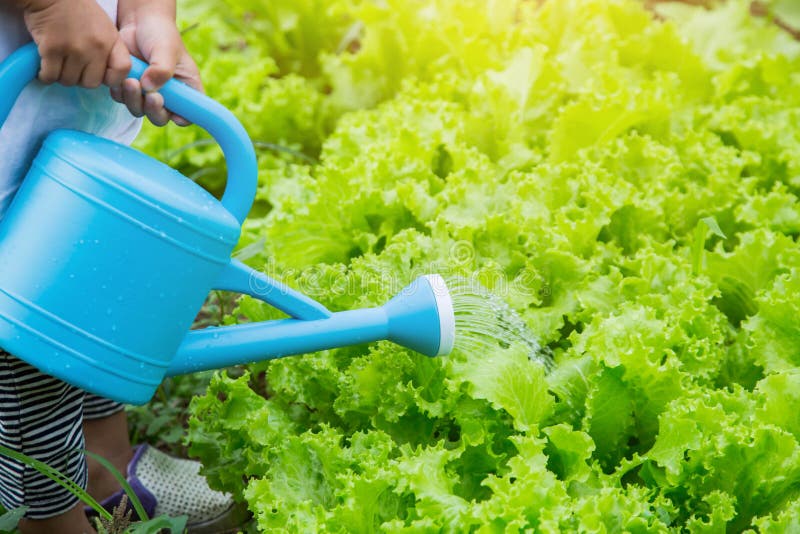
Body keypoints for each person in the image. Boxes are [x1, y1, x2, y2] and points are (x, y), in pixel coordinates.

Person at [0, 0, 241, 532]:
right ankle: (51, 518)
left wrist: (148, 15)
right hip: (11, 119)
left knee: (88, 287)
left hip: (74, 112)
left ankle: (103, 469)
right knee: (25, 341)